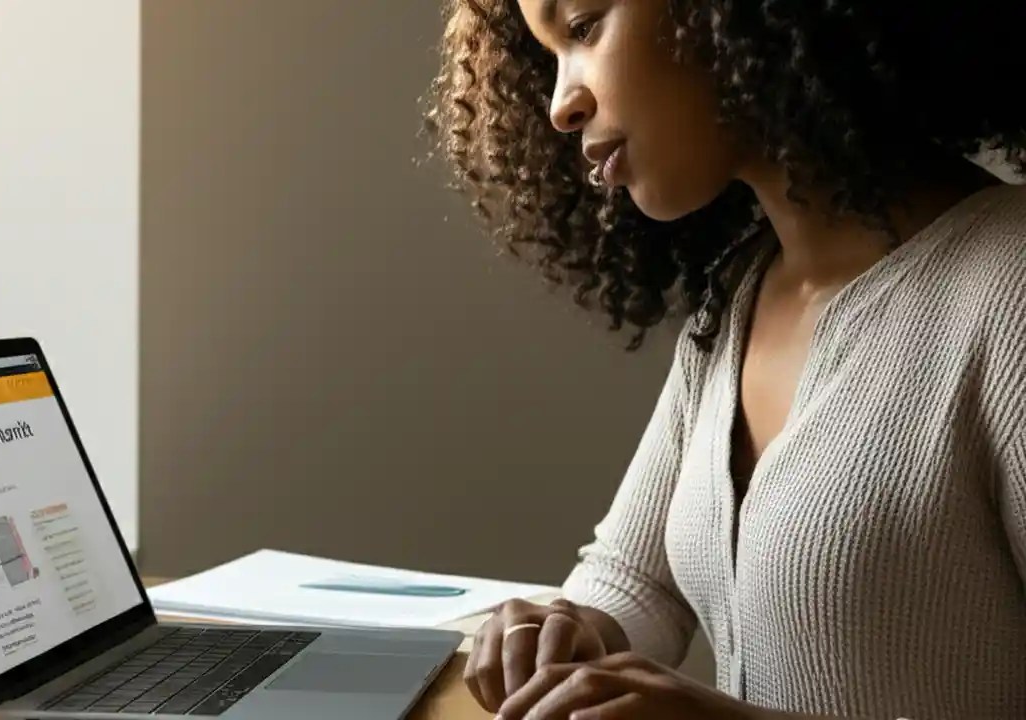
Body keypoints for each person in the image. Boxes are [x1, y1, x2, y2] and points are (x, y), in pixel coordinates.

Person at [426, 1, 1026, 718]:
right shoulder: (738, 297)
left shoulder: (1009, 287)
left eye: (584, 27)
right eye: (549, 54)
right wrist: (564, 630)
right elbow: (635, 580)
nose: (560, 105)